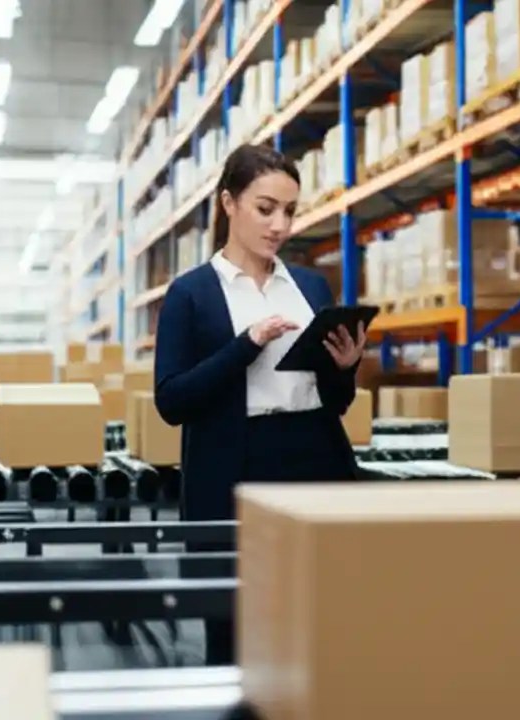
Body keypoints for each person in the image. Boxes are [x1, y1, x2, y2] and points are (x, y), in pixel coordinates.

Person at [153, 143, 366, 665]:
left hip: (316, 456)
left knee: (325, 617)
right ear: (229, 204)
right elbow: (172, 400)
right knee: (236, 624)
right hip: (235, 468)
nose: (280, 225)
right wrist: (245, 345)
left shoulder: (310, 286)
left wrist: (344, 367)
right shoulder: (192, 294)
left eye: (290, 211)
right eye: (265, 208)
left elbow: (335, 402)